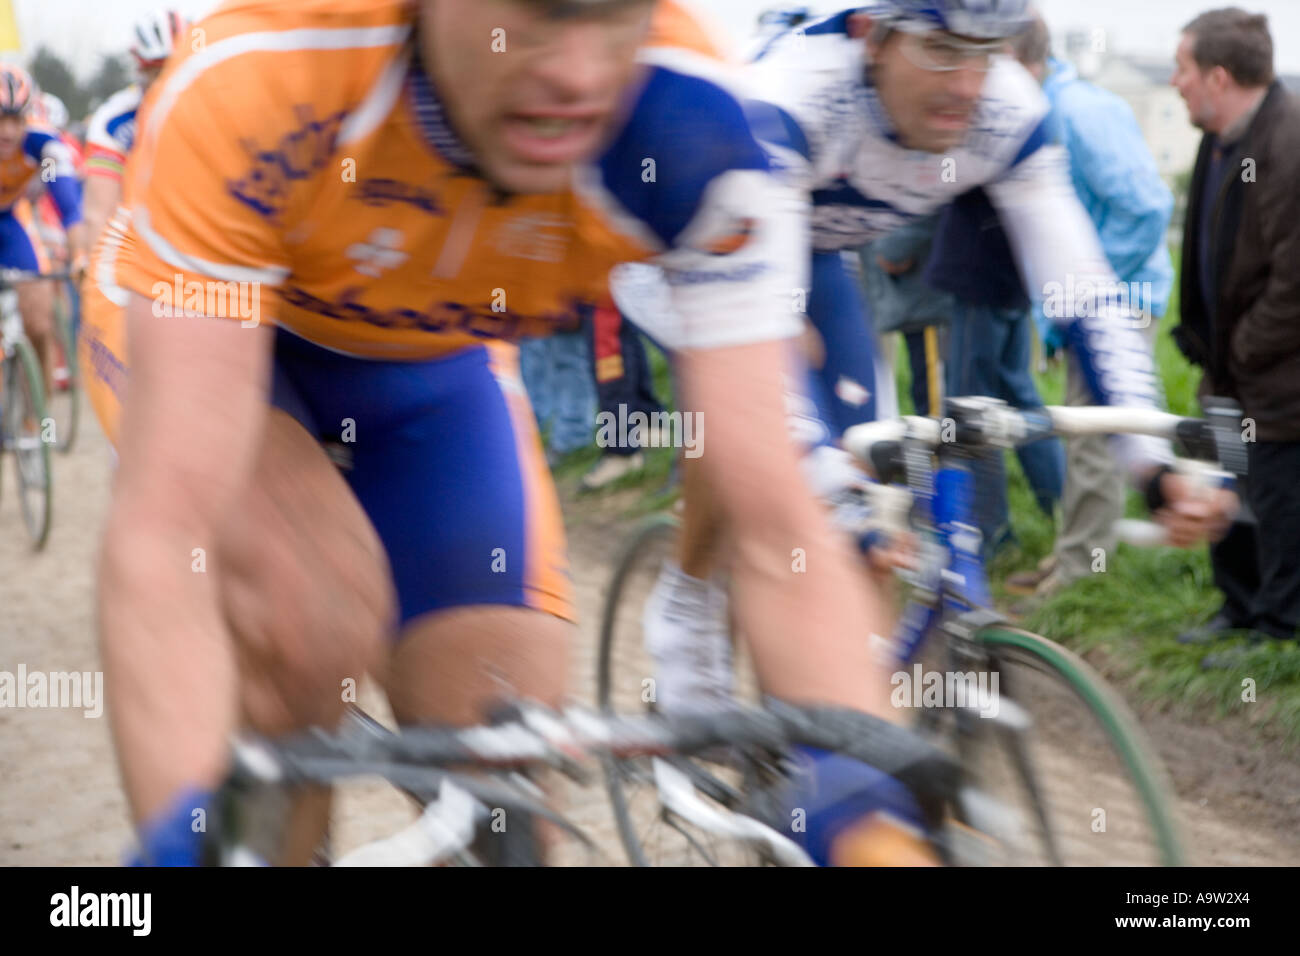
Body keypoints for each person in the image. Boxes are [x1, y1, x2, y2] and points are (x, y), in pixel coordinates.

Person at [85, 0, 911, 868]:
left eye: (616, 17)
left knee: (503, 756)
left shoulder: (693, 120)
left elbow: (778, 521)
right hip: (231, 343)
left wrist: (867, 818)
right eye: (542, 14)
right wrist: (182, 838)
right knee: (309, 620)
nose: (581, 76)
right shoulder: (270, 71)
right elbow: (164, 538)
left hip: (430, 364)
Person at [643, 1, 1233, 724]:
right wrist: (822, 489)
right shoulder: (795, 98)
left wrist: (1153, 463)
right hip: (694, 251)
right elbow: (753, 346)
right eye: (943, 50)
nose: (967, 84)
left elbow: (1082, 290)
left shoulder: (1007, 106)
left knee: (867, 515)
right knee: (779, 477)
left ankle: (830, 732)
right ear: (872, 34)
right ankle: (687, 609)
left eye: (987, 51)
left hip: (817, 254)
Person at [998, 12, 1175, 599]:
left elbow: (1148, 207)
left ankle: (1079, 579)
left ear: (1024, 62)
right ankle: (1070, 558)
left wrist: (1093, 288)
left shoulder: (1081, 111)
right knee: (1084, 438)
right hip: (1087, 302)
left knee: (1097, 441)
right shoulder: (1049, 109)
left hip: (1118, 299)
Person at [1169, 7, 1300, 660]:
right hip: (1227, 368)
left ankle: (1279, 633)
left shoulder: (1289, 140)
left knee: (1276, 499)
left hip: (1276, 375)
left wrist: (1243, 349)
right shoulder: (1218, 135)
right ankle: (1239, 609)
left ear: (1217, 77)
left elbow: (1294, 280)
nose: (1175, 83)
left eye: (1183, 69)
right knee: (1232, 488)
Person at [0, 64, 86, 395]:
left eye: (16, 121)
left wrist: (79, 255)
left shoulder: (44, 145)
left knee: (38, 322)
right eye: (0, 120)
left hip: (11, 220)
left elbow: (70, 209)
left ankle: (37, 426)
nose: (7, 132)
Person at [82, 9, 189, 246]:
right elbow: (99, 215)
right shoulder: (114, 121)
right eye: (159, 72)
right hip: (136, 242)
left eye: (180, 68)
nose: (171, 83)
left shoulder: (218, 110)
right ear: (141, 72)